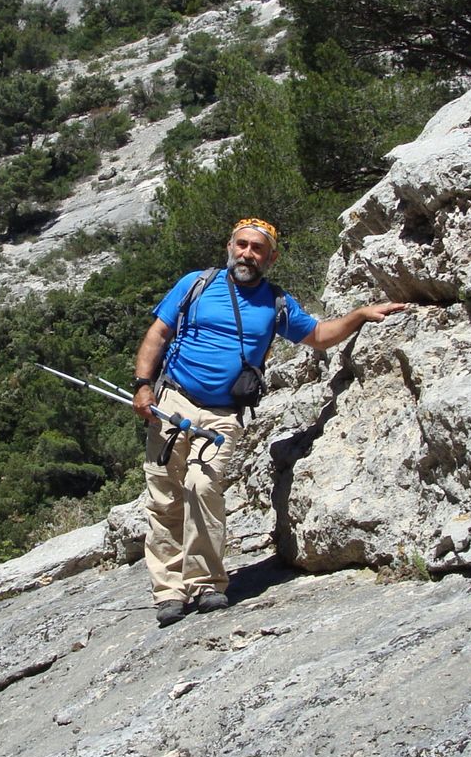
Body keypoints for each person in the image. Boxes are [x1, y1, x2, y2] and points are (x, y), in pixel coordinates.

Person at [130, 218, 406, 626]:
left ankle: (207, 584)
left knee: (203, 485)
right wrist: (142, 385)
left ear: (271, 257)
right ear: (229, 246)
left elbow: (318, 335)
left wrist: (361, 315)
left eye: (257, 249)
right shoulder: (196, 284)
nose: (247, 254)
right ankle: (169, 592)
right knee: (166, 498)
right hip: (173, 401)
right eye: (241, 245)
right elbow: (158, 334)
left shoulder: (275, 303)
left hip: (224, 414)